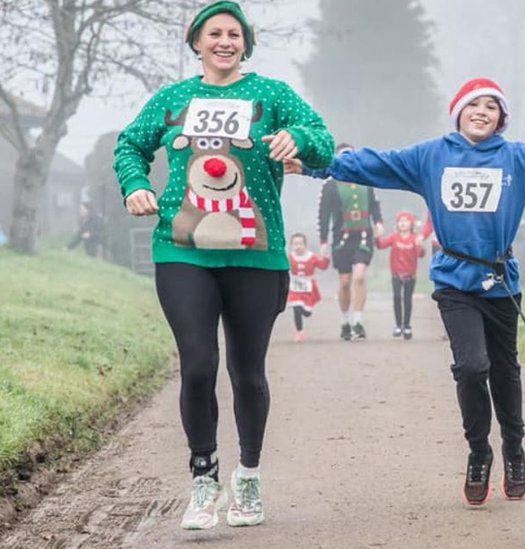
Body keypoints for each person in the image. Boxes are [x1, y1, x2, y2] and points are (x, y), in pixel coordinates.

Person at [285, 77, 525, 506]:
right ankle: (478, 451)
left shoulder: (518, 160)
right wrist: (315, 165)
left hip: (501, 282)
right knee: (472, 367)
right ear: (459, 112)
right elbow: (371, 164)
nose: (483, 112)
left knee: (506, 371)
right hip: (454, 280)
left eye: (492, 107)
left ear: (501, 118)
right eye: (475, 104)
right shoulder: (431, 156)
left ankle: (513, 447)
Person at [113, 0, 334, 530]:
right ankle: (203, 480)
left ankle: (249, 478)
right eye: (214, 33)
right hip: (182, 248)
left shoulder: (272, 95)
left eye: (235, 34)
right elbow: (130, 146)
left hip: (256, 255)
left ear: (245, 44)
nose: (225, 41)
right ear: (196, 43)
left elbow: (323, 145)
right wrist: (136, 185)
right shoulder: (173, 98)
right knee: (196, 366)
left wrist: (296, 139)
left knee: (247, 372)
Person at [314, 143, 384, 341]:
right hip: (341, 238)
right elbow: (323, 215)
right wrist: (323, 242)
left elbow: (375, 205)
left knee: (360, 276)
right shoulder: (329, 185)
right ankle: (345, 320)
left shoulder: (367, 180)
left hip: (363, 235)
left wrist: (378, 223)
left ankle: (358, 321)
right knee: (345, 281)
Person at [374, 211, 425, 340]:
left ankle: (407, 325)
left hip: (410, 275)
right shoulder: (394, 237)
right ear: (397, 224)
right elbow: (381, 245)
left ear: (411, 224)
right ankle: (398, 325)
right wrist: (377, 237)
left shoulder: (414, 238)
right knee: (397, 297)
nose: (402, 223)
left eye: (406, 221)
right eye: (400, 221)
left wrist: (419, 245)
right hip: (396, 274)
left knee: (407, 299)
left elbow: (421, 254)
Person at [286, 232, 330, 343]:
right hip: (295, 287)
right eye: (295, 244)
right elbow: (284, 268)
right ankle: (299, 332)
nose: (298, 246)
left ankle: (305, 311)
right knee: (296, 306)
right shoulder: (290, 258)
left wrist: (326, 258)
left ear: (305, 245)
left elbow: (323, 266)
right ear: (292, 245)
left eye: (300, 244)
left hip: (308, 288)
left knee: (307, 312)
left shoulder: (312, 257)